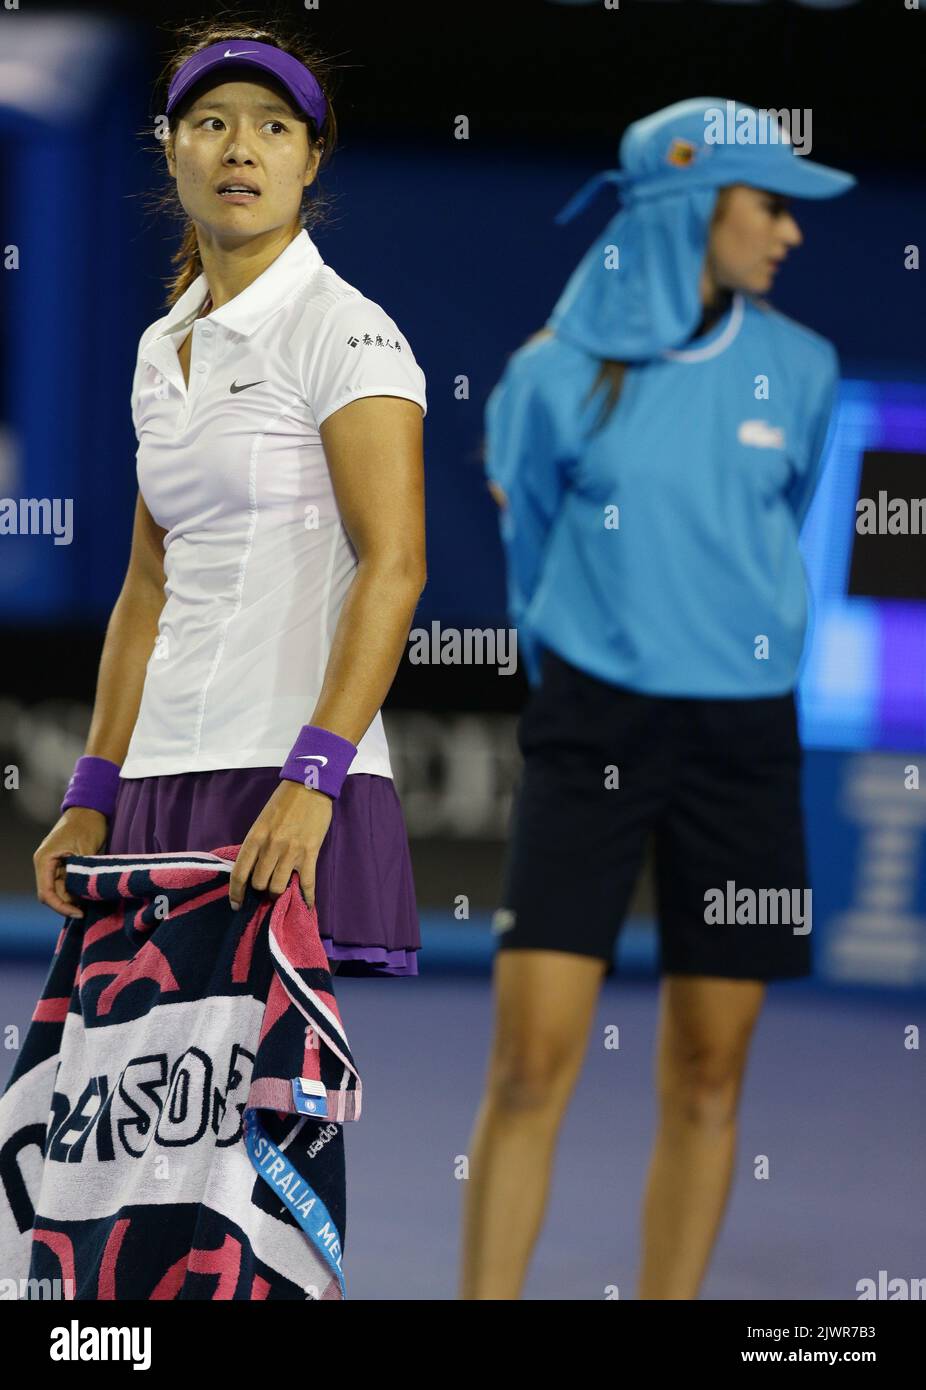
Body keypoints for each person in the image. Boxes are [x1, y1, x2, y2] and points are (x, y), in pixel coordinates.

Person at [461, 98, 854, 1299]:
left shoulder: (801, 368)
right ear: (690, 205)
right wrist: (600, 642)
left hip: (743, 742)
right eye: (768, 203)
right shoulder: (547, 376)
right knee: (529, 1066)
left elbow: (766, 537)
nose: (788, 232)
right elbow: (524, 536)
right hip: (590, 729)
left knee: (706, 1073)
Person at [33, 22, 427, 981]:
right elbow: (147, 587)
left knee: (269, 1124)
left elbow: (397, 564)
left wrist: (313, 776)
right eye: (210, 123)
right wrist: (93, 789)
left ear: (310, 158)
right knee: (149, 1125)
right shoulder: (159, 348)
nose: (241, 148)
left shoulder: (350, 335)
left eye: (274, 128)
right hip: (159, 782)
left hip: (288, 775)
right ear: (170, 151)